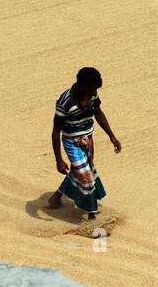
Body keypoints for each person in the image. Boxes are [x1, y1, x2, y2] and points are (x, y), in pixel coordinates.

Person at [47, 67, 121, 219]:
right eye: (92, 89)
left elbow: (98, 113)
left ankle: (56, 196)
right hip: (71, 142)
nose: (94, 93)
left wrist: (112, 136)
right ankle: (92, 216)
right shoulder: (65, 101)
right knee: (87, 177)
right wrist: (59, 160)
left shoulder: (92, 94)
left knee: (80, 170)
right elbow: (56, 132)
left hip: (88, 139)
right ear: (81, 86)